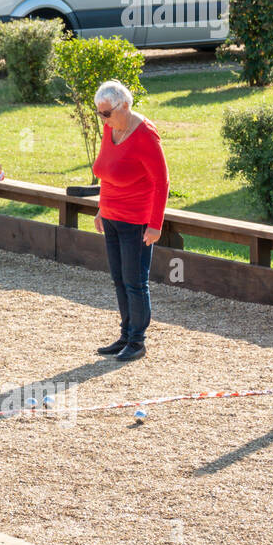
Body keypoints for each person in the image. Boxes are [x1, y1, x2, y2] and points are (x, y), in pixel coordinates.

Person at [92, 79, 170, 363]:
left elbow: (161, 182)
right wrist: (102, 207)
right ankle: (125, 335)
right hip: (111, 217)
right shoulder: (110, 127)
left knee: (135, 281)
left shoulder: (146, 136)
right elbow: (106, 170)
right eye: (100, 113)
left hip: (136, 221)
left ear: (124, 105)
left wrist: (155, 224)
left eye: (107, 113)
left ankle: (137, 341)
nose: (103, 119)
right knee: (118, 279)